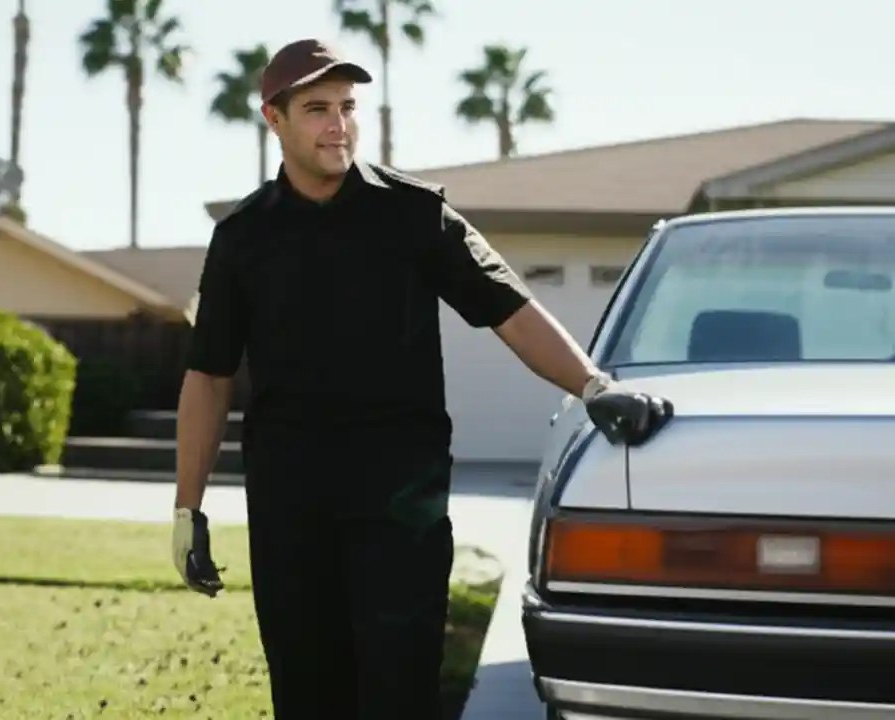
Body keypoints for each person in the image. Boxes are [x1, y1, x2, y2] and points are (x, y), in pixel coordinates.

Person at [171, 38, 672, 720]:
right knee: (305, 689)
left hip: (399, 502)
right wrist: (187, 509)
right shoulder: (243, 238)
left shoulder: (414, 215)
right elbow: (208, 375)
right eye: (317, 109)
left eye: (347, 107)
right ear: (274, 120)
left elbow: (510, 308)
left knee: (398, 688)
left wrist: (593, 384)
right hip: (290, 503)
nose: (338, 125)